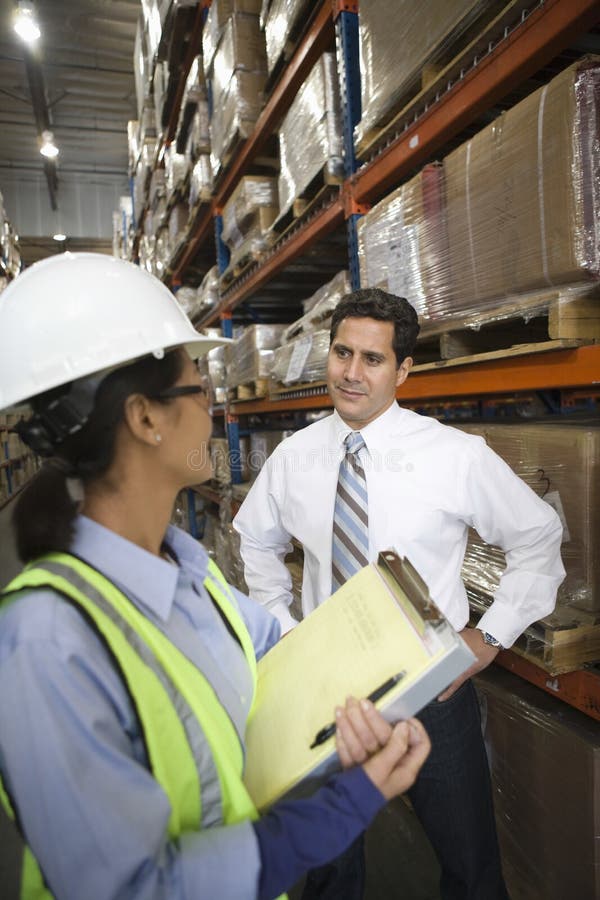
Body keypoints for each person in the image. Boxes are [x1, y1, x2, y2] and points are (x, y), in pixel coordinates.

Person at [0, 257, 432, 900]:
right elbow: (136, 888)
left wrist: (384, 699)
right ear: (146, 418)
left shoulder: (190, 579)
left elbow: (284, 679)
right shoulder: (45, 641)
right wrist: (344, 805)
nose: (214, 404)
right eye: (198, 383)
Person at [233, 287, 566, 900]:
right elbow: (254, 539)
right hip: (323, 689)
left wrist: (490, 637)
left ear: (404, 369)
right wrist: (285, 625)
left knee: (470, 865)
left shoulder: (452, 457)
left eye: (373, 359)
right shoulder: (295, 457)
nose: (351, 374)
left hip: (432, 688)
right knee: (329, 867)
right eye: (341, 353)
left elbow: (539, 537)